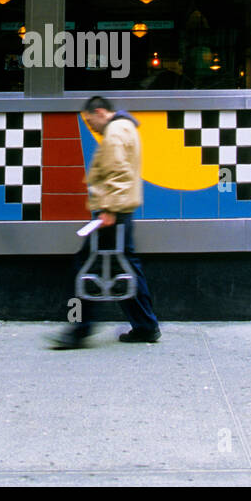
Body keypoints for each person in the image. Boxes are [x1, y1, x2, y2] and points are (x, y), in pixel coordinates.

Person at [50, 96, 160, 349]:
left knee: (86, 267)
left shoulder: (115, 132)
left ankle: (79, 330)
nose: (91, 128)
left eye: (90, 122)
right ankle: (146, 326)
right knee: (125, 268)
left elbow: (119, 172)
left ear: (100, 112)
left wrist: (108, 209)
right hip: (119, 212)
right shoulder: (124, 128)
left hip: (112, 214)